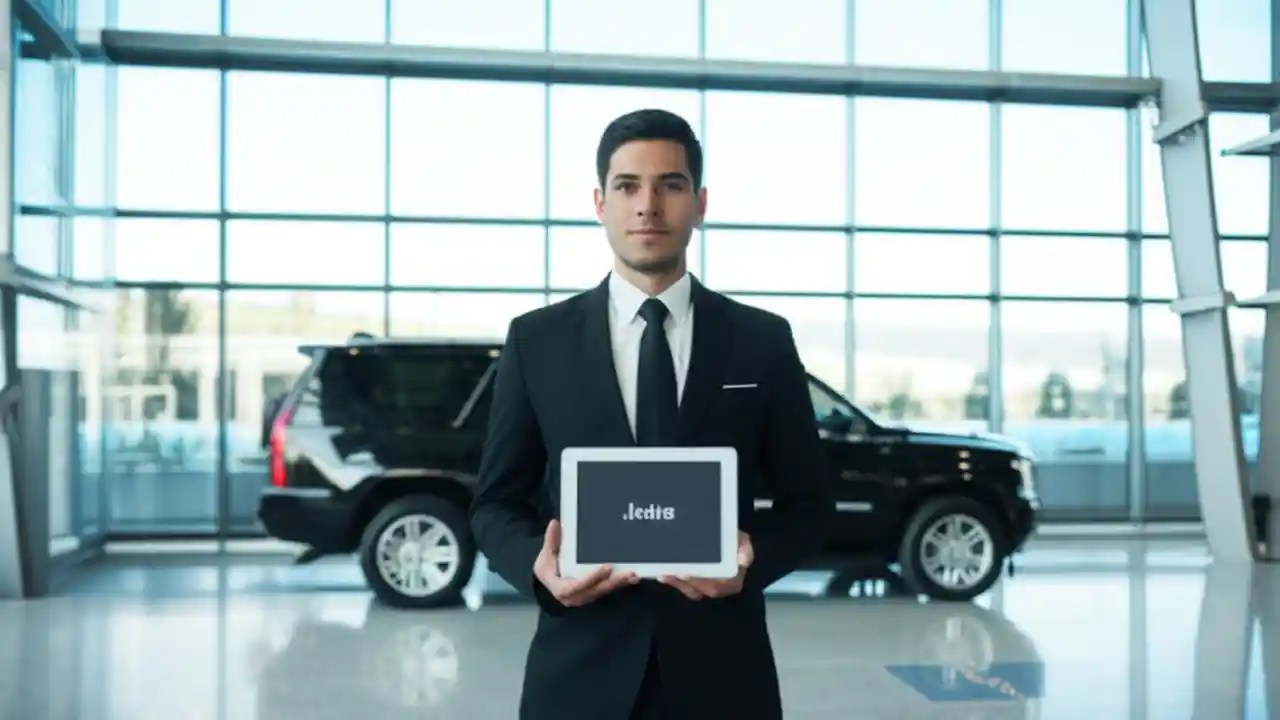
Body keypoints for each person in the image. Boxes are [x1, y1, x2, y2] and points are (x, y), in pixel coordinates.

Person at [469, 108, 836, 720]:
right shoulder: (538, 341)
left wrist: (750, 563)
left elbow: (810, 504)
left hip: (723, 676)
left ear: (700, 202)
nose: (648, 205)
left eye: (670, 184)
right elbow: (493, 504)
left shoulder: (762, 340)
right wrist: (540, 569)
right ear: (599, 202)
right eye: (628, 186)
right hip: (579, 674)